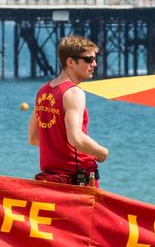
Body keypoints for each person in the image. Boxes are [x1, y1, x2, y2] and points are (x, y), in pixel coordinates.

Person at [28, 35, 108, 187]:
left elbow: (33, 138)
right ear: (71, 62)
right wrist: (102, 152)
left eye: (94, 59)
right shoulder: (73, 93)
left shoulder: (43, 91)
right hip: (77, 179)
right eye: (89, 59)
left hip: (51, 179)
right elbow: (76, 138)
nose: (95, 64)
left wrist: (58, 147)